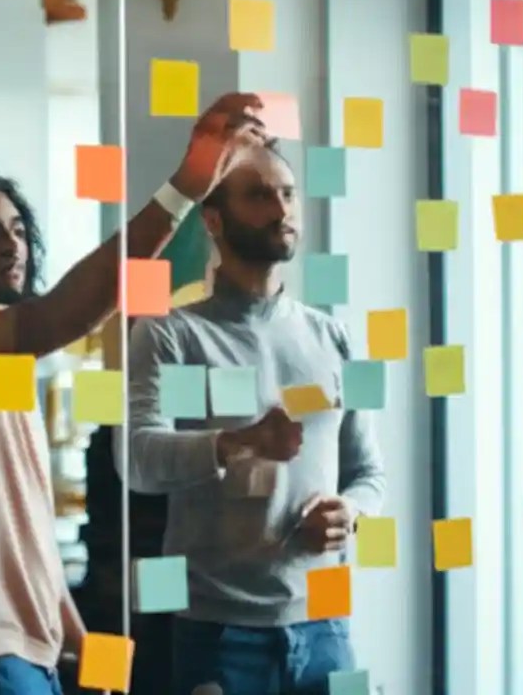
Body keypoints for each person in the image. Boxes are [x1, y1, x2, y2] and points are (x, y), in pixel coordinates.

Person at [0, 92, 270, 695]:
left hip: (25, 660)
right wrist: (183, 189)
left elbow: (25, 537)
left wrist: (91, 657)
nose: (12, 245)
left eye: (17, 229)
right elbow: (64, 314)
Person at [121, 137, 386, 694]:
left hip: (326, 627)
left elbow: (370, 473)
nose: (281, 209)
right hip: (217, 632)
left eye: (288, 193)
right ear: (213, 220)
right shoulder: (171, 334)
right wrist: (236, 442)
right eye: (260, 195)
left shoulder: (333, 336)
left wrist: (350, 512)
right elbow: (137, 459)